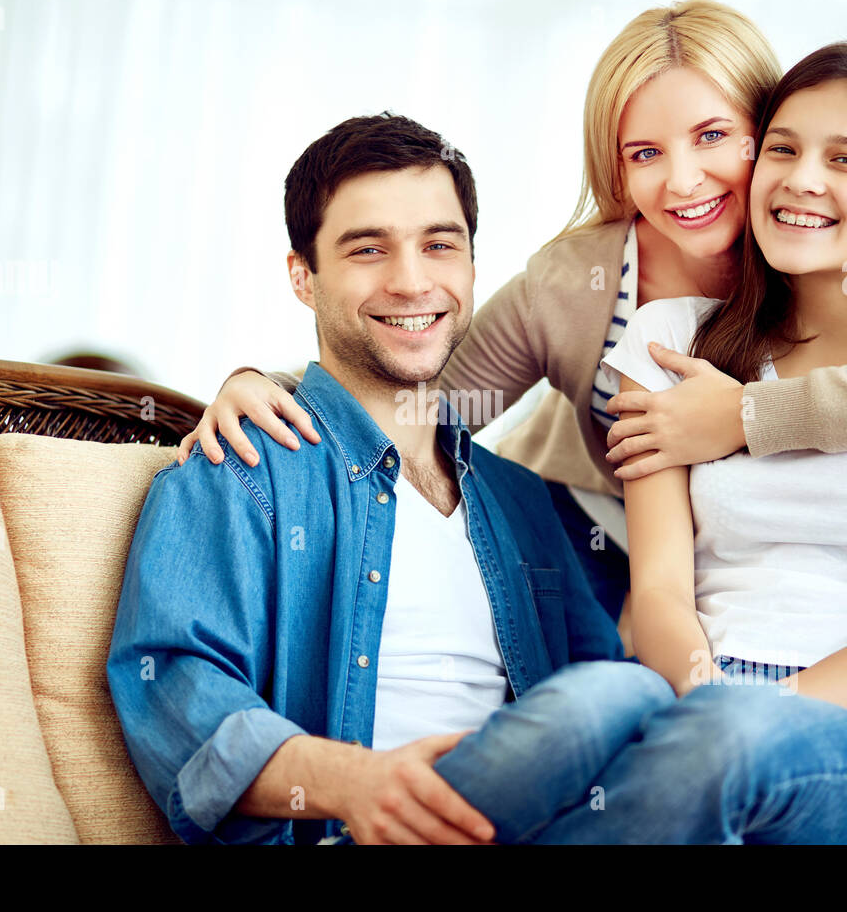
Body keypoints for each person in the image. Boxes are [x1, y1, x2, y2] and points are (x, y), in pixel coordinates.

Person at [175, 0, 847, 653]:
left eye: (715, 136)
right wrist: (269, 386)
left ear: (771, 130)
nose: (685, 180)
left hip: (769, 571)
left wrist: (741, 419)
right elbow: (423, 395)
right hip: (601, 535)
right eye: (644, 153)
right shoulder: (576, 281)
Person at [433, 42, 847, 844]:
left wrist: (752, 708)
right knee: (585, 706)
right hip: (692, 691)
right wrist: (706, 696)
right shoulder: (669, 338)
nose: (803, 179)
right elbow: (660, 589)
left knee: (730, 740)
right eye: (785, 149)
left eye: (846, 159)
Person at [107, 112, 676, 846]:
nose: (412, 281)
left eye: (440, 245)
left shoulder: (522, 502)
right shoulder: (241, 469)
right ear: (302, 278)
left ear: (471, 267)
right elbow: (170, 683)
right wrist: (359, 783)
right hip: (346, 831)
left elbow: (609, 712)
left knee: (689, 732)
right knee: (620, 696)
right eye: (368, 249)